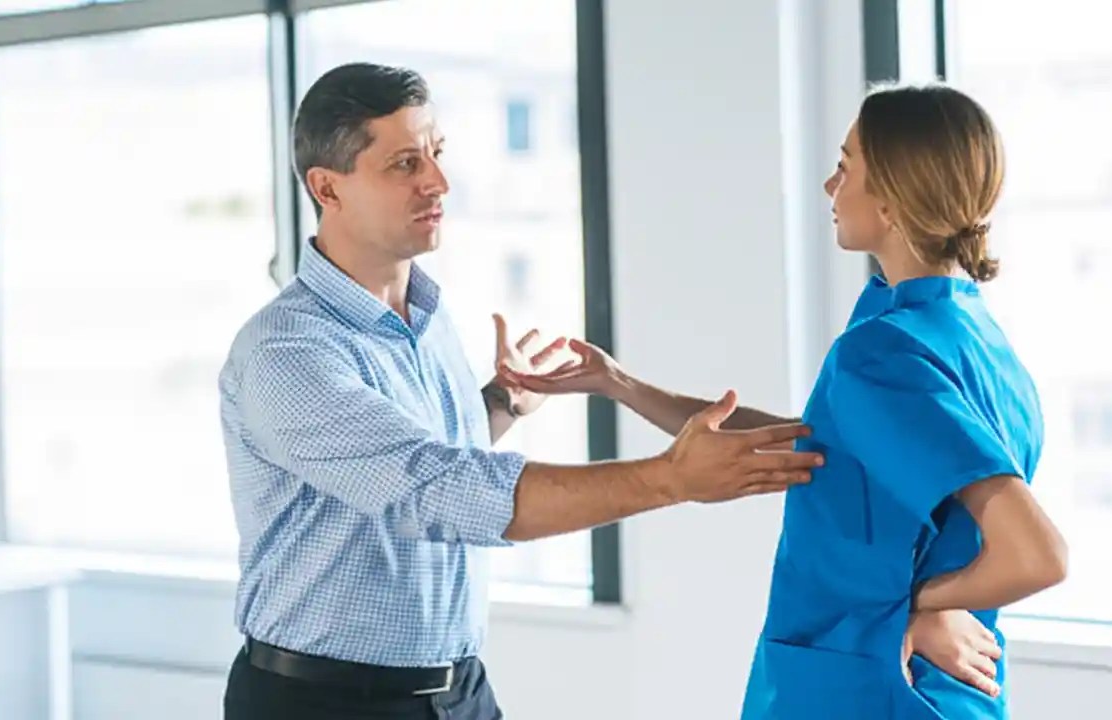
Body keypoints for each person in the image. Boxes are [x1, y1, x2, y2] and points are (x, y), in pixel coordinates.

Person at [217, 62, 823, 720]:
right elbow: (434, 490)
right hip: (323, 703)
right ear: (326, 188)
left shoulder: (426, 319)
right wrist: (669, 478)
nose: (438, 182)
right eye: (403, 165)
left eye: (436, 154)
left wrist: (502, 403)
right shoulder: (288, 354)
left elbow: (421, 459)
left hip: (458, 692)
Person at [503, 85, 1068, 718]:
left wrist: (915, 606)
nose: (831, 186)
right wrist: (619, 384)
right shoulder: (969, 335)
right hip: (931, 688)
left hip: (871, 685)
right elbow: (815, 446)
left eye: (846, 166)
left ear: (892, 197)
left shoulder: (883, 351)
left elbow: (1036, 555)